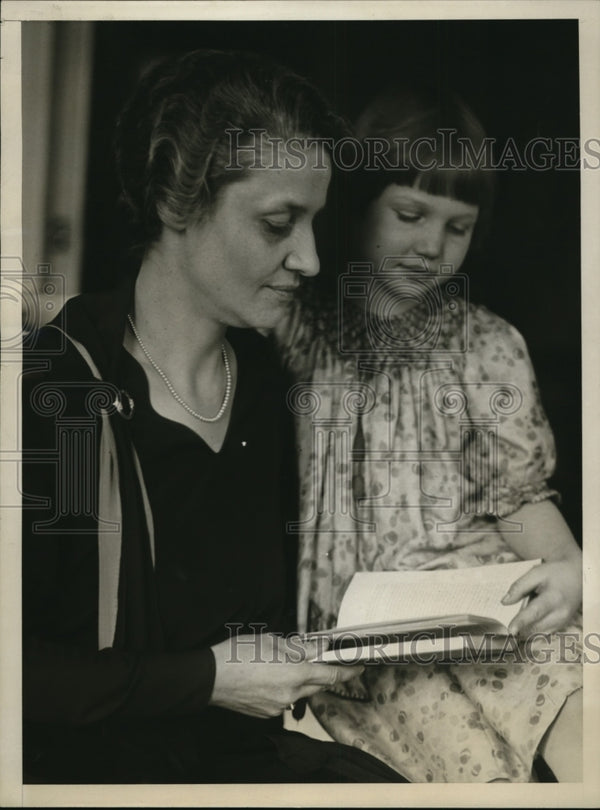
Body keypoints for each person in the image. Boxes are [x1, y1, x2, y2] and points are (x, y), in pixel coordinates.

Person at [21, 49, 408, 784]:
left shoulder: (268, 389)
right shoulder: (60, 391)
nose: (312, 260)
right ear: (175, 203)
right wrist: (209, 678)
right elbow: (20, 671)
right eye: (277, 224)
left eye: (315, 224)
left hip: (234, 761)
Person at [276, 84, 583, 782]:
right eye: (409, 214)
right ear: (355, 204)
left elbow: (534, 522)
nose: (431, 246)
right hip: (363, 651)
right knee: (480, 772)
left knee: (576, 683)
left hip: (480, 613)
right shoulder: (296, 331)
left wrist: (571, 579)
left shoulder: (487, 346)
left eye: (458, 226)